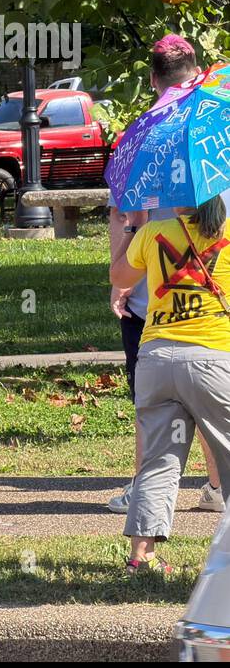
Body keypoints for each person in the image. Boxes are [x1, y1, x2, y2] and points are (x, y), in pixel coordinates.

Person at [107, 35, 224, 514]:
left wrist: (121, 283)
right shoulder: (220, 116)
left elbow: (123, 215)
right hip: (219, 294)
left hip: (155, 288)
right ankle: (217, 488)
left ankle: (147, 498)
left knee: (156, 409)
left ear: (152, 79)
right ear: (195, 68)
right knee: (217, 399)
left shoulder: (145, 137)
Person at [109, 196, 230, 572]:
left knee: (158, 461)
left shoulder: (153, 232)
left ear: (178, 203)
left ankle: (140, 559)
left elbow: (120, 279)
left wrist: (132, 226)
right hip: (213, 360)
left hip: (157, 359)